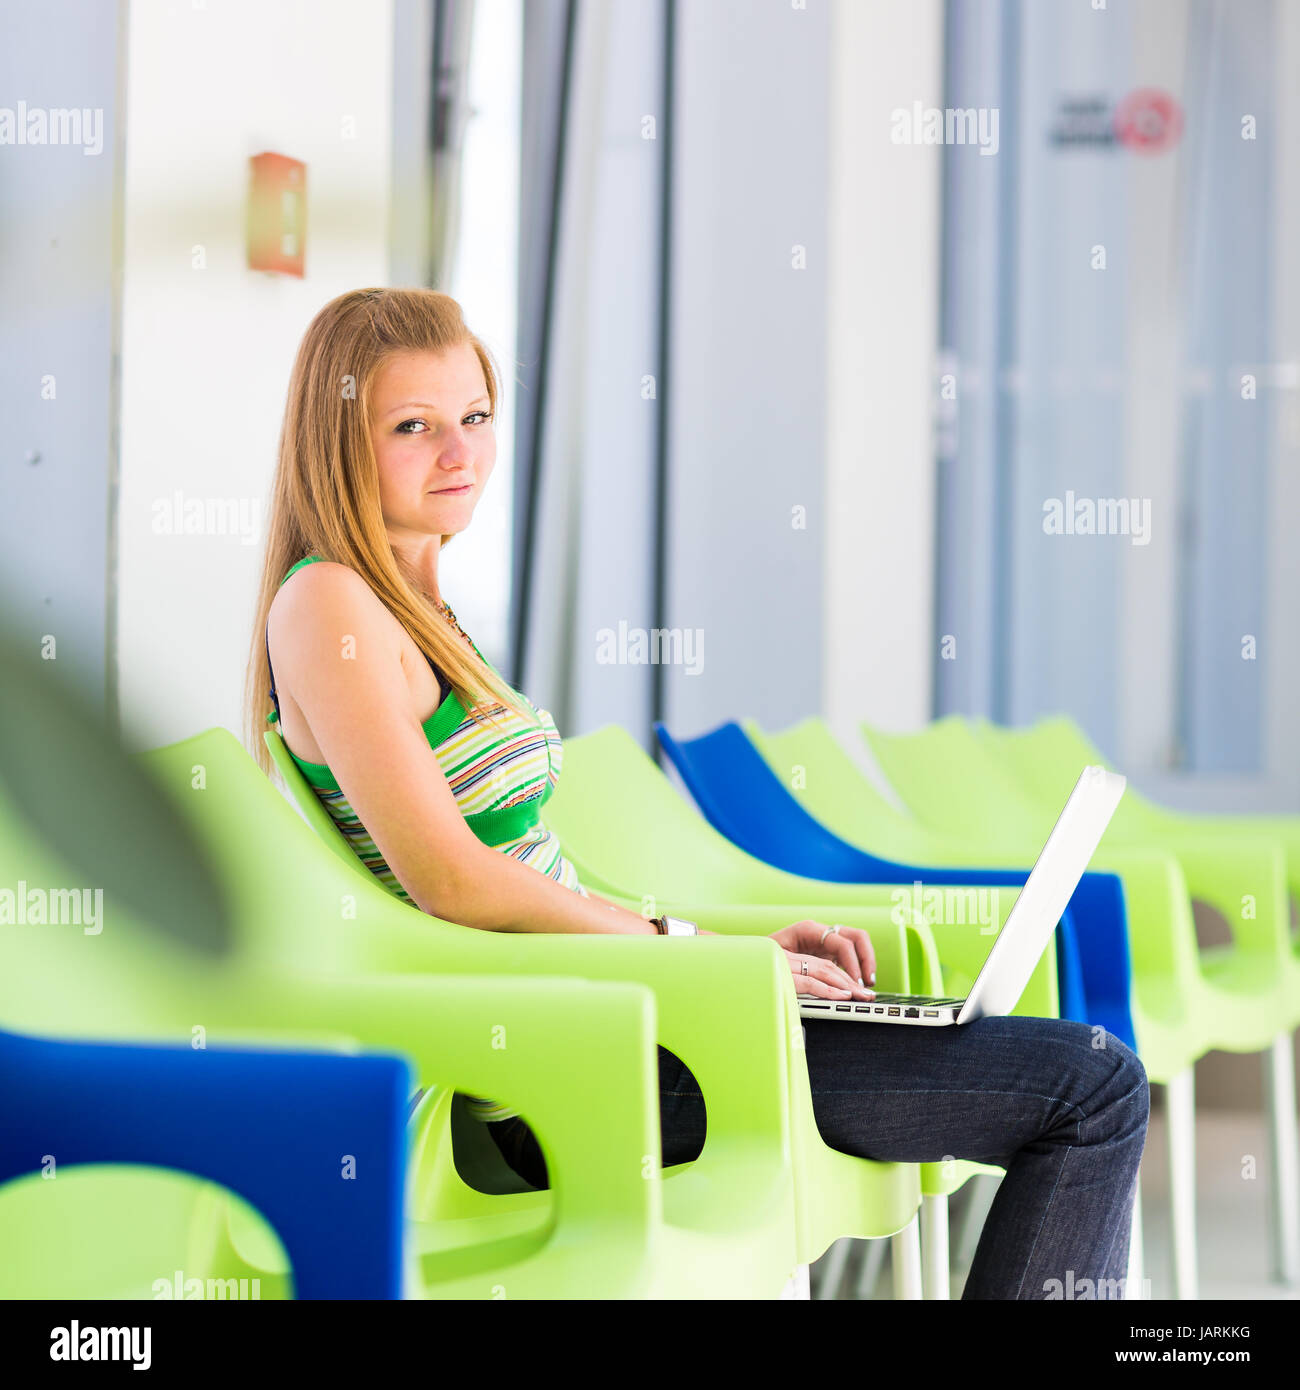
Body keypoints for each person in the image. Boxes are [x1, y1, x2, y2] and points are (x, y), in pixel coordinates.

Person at [246, 287, 1149, 1300]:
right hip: (564, 1066)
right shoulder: (327, 601)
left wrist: (726, 952)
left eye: (475, 418)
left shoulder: (422, 608)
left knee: (1084, 1070)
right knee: (1091, 1087)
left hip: (636, 1020)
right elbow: (453, 880)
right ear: (336, 440)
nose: (459, 453)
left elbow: (531, 873)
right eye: (413, 426)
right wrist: (693, 957)